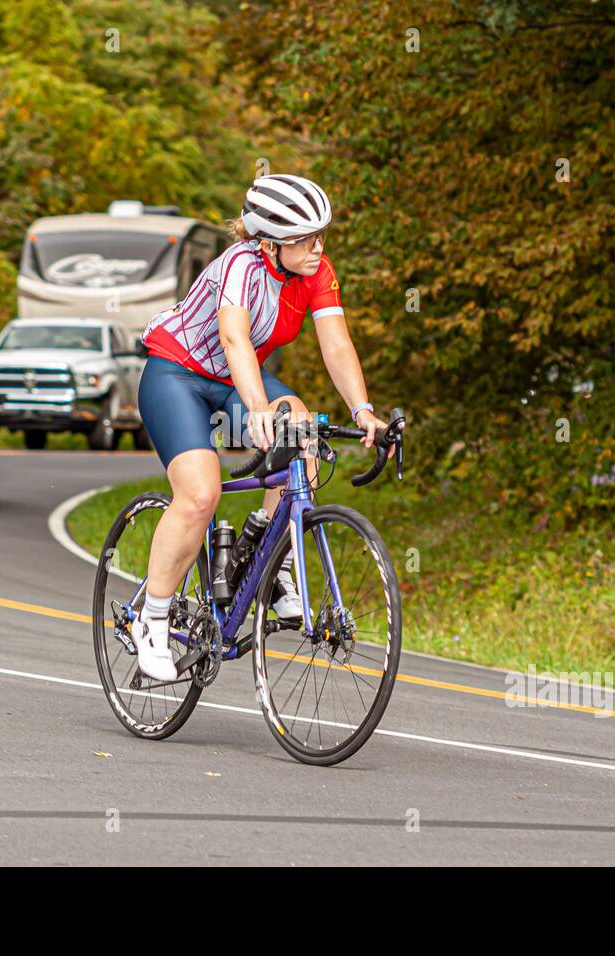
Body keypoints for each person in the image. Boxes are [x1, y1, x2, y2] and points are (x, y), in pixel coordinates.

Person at [132, 174, 388, 680]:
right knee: (200, 494)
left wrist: (362, 409)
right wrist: (255, 407)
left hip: (233, 378)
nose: (318, 248)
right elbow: (234, 339)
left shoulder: (315, 270)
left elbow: (335, 343)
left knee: (304, 436)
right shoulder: (239, 266)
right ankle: (152, 618)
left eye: (321, 235)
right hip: (177, 375)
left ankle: (273, 566)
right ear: (270, 240)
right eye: (304, 239)